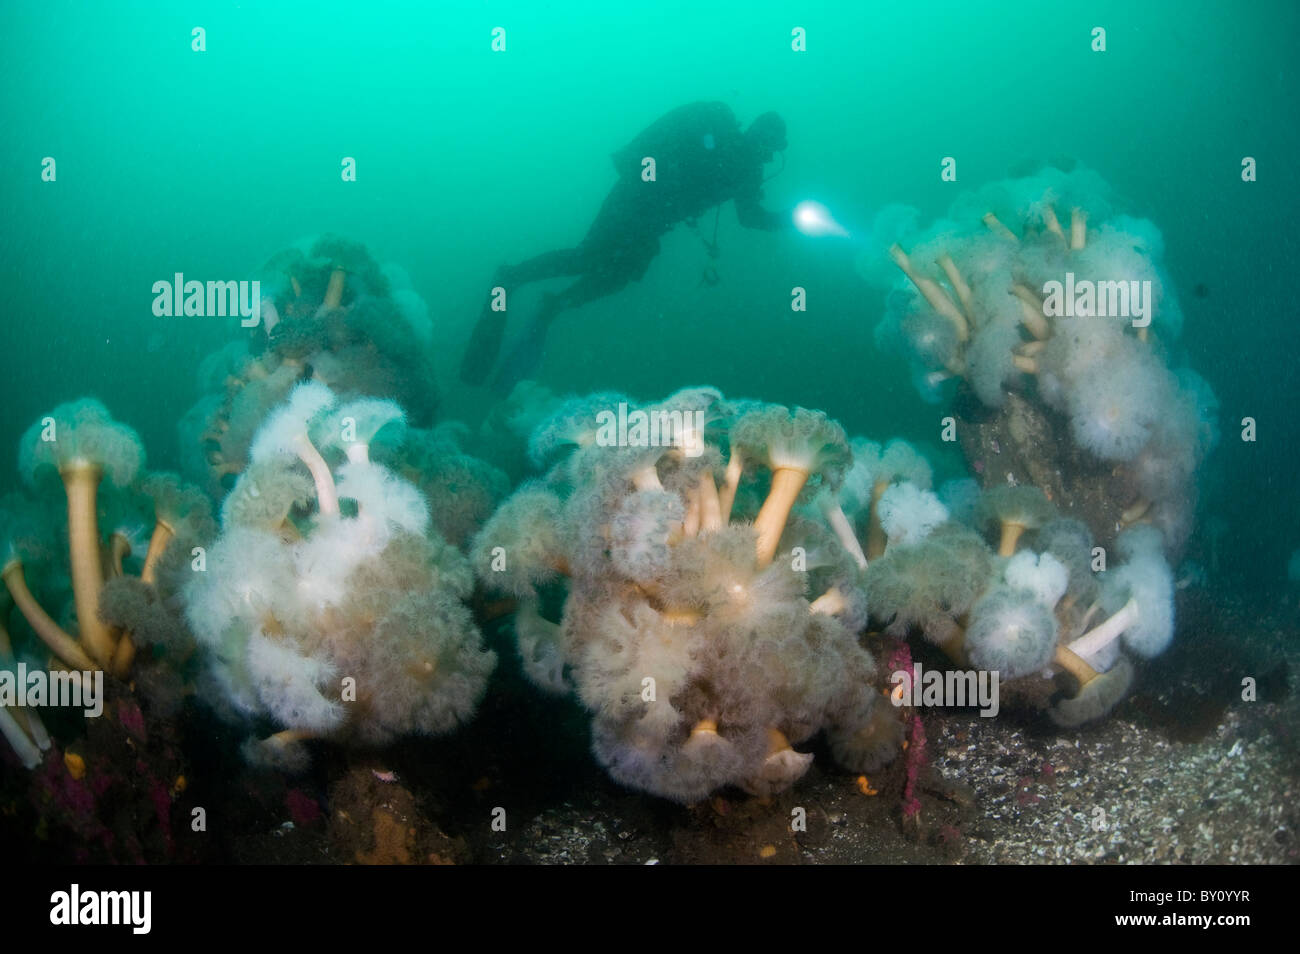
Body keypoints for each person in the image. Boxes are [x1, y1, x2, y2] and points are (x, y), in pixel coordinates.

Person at [460, 102, 790, 390]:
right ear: (757, 134)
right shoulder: (720, 136)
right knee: (588, 257)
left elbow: (749, 217)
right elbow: (673, 163)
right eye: (768, 145)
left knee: (620, 275)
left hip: (655, 220)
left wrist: (790, 220)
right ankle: (511, 277)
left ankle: (555, 305)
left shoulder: (748, 171)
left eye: (774, 150)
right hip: (634, 198)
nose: (769, 154)